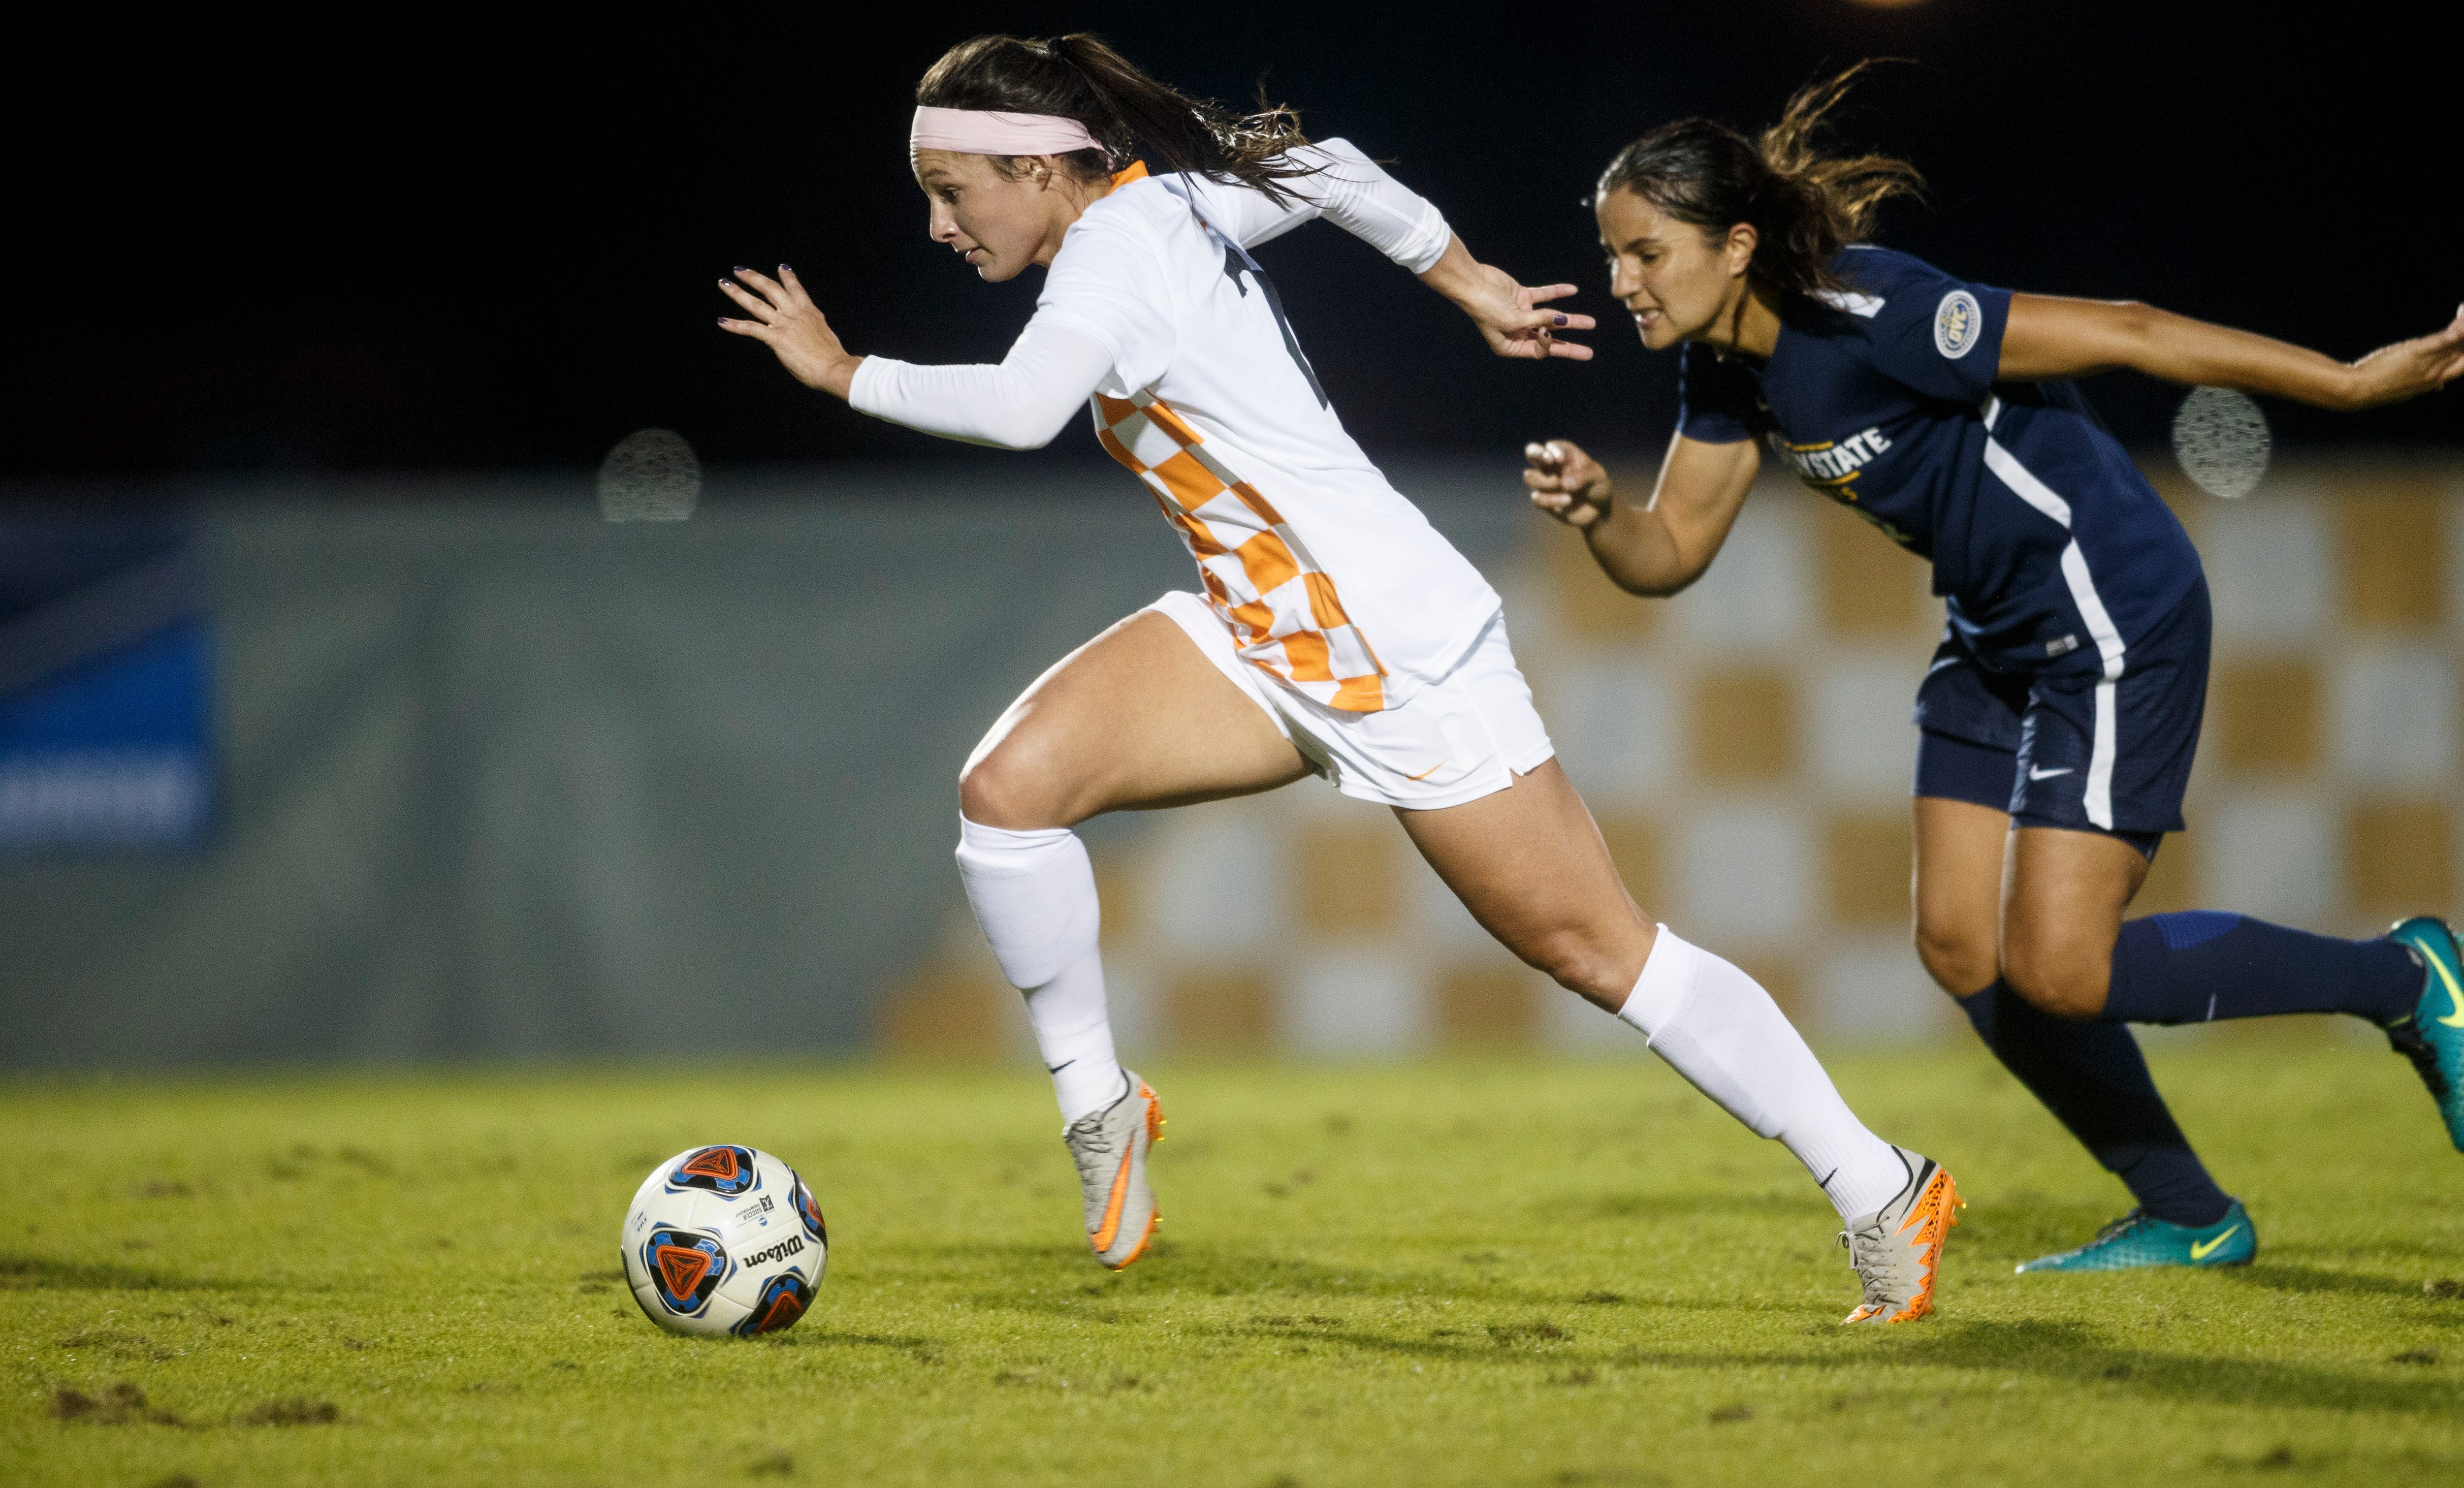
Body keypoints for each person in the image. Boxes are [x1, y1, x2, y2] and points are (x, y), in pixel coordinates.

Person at [715, 34, 1960, 1322]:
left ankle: (1881, 1183)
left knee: (1600, 951)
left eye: (951, 191)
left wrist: (839, 370)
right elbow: (1334, 168)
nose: (937, 224)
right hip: (1260, 633)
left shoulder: (1114, 257)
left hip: (1391, 649)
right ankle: (1101, 1107)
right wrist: (1468, 283)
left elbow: (1027, 409)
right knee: (1007, 791)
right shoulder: (1176, 198)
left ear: (1034, 163)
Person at [1520, 66, 2464, 1274]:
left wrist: (2350, 382)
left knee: (2061, 967)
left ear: (1737, 244)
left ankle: (2401, 978)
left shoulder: (1875, 313)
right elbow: (1667, 555)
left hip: (2108, 606)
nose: (1622, 282)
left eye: (1645, 253)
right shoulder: (1724, 367)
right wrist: (1605, 508)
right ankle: (2191, 1213)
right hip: (1993, 631)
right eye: (1613, 255)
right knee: (1961, 948)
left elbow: (2131, 329)